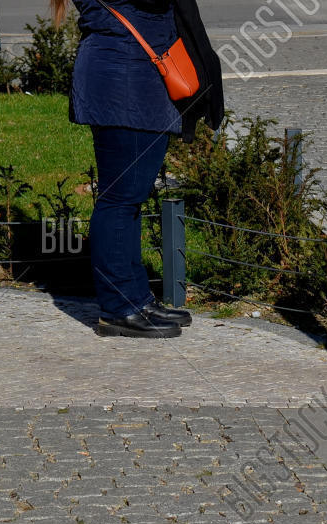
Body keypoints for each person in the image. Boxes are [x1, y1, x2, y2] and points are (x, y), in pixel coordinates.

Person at [54, 0, 222, 338]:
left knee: (130, 198)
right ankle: (119, 308)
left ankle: (136, 299)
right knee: (120, 199)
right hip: (124, 84)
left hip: (133, 78)